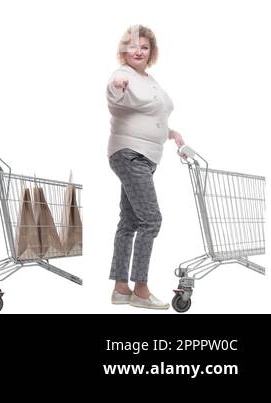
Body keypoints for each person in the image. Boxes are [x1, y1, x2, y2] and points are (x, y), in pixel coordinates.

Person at [105, 25, 182, 310]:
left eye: (145, 47)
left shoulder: (149, 79)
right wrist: (117, 88)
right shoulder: (122, 75)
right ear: (124, 50)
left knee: (129, 222)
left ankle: (121, 289)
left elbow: (151, 116)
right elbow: (115, 94)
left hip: (146, 156)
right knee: (152, 220)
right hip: (130, 154)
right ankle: (141, 288)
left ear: (151, 52)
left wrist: (170, 132)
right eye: (133, 46)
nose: (138, 51)